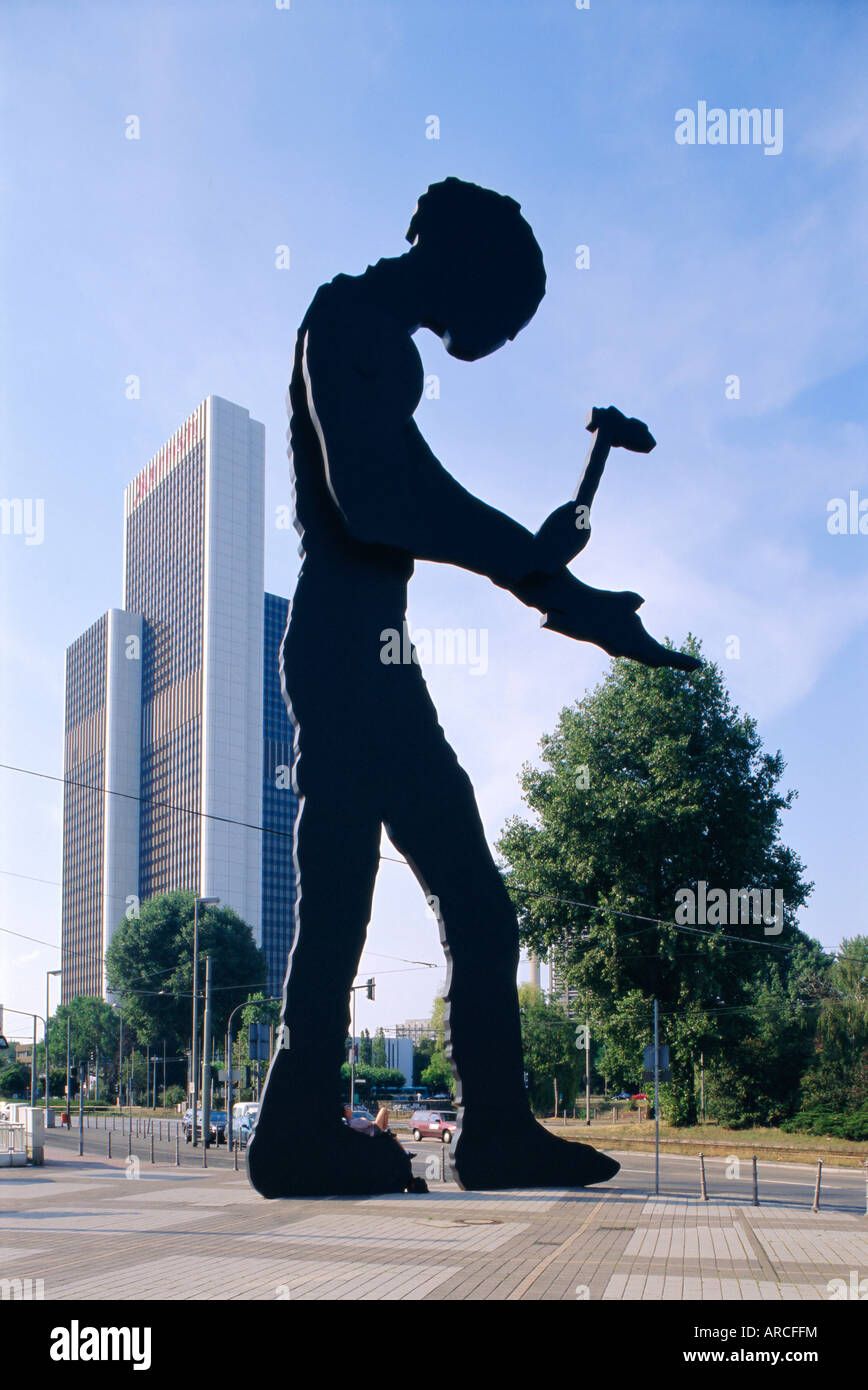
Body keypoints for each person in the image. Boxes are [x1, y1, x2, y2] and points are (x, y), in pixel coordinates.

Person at [247, 177, 698, 1199]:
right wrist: (540, 570)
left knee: (462, 904)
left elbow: (423, 498)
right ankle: (303, 1129)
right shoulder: (350, 318)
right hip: (345, 646)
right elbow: (377, 501)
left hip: (368, 650)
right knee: (353, 899)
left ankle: (473, 1131)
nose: (496, 337)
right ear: (461, 264)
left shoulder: (378, 337)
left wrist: (561, 586)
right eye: (503, 312)